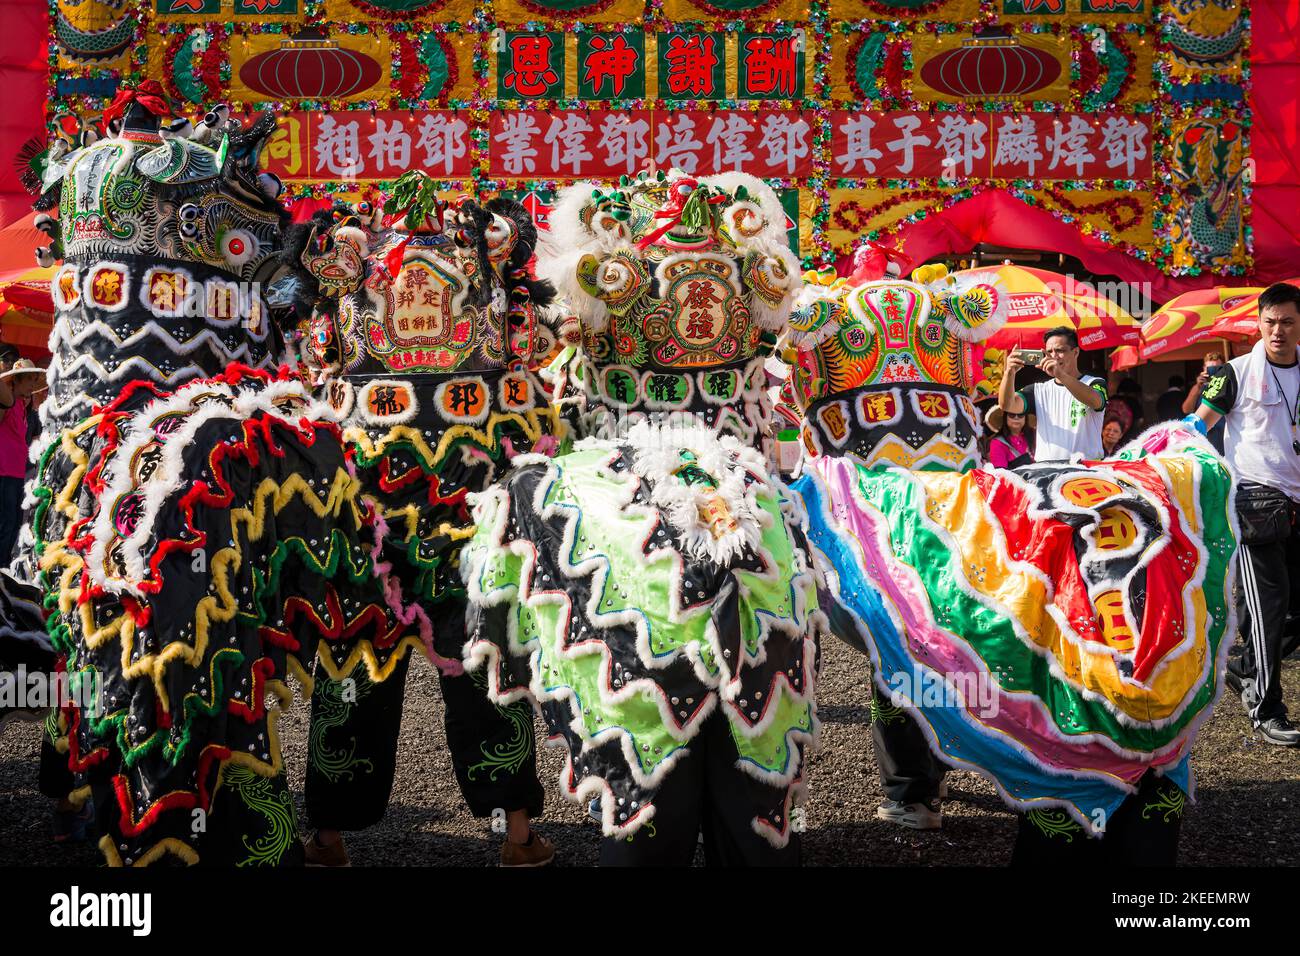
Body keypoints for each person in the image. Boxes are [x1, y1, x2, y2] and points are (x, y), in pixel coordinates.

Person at [1193, 282, 1300, 746]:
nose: (1278, 331)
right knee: (1268, 608)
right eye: (1270, 322)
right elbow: (1198, 425)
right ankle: (1266, 709)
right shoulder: (1232, 374)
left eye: (1288, 322)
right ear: (1258, 323)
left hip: (1296, 504)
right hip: (1254, 505)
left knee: (1291, 613)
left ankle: (1243, 666)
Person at [997, 326, 1108, 460]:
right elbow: (1007, 405)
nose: (1054, 356)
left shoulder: (1094, 382)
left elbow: (1096, 402)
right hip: (1046, 469)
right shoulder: (1039, 390)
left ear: (1076, 352)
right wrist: (1009, 373)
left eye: (1060, 350)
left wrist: (1060, 375)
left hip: (1085, 468)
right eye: (1049, 351)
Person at [0, 357, 43, 567]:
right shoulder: (7, 404)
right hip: (4, 471)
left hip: (17, 474)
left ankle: (5, 566)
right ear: (16, 381)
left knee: (14, 523)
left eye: (34, 380)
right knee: (6, 523)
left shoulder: (21, 407)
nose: (32, 385)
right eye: (28, 380)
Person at [1183, 351, 1227, 453]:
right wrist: (1198, 386)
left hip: (1225, 439)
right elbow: (1186, 409)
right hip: (1206, 441)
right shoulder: (1199, 388)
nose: (1214, 372)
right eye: (1210, 369)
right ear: (1204, 369)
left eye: (1217, 368)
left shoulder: (1228, 385)